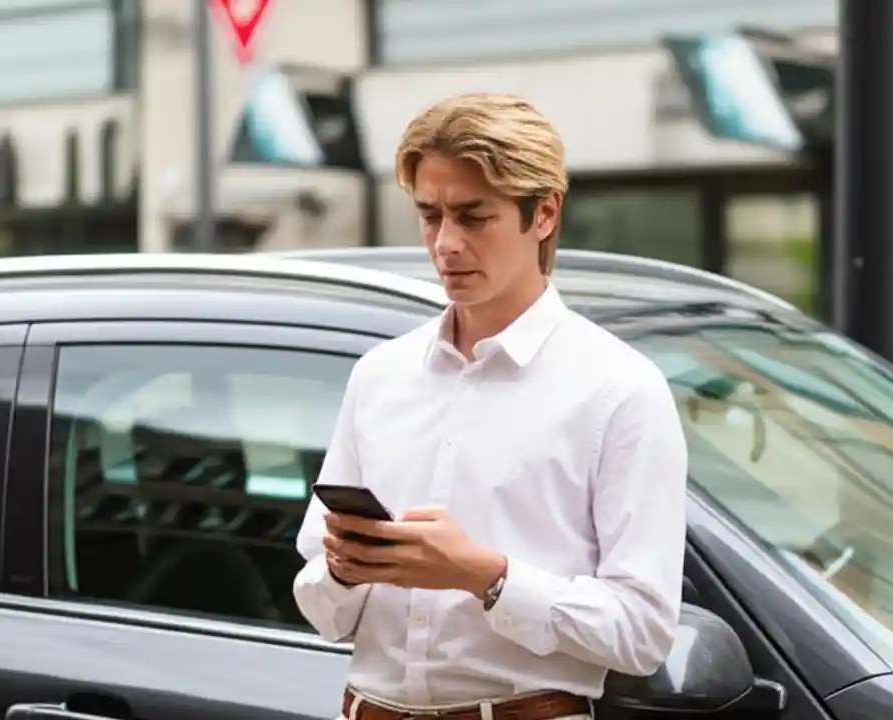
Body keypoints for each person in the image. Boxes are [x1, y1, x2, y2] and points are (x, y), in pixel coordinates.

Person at [292, 92, 689, 720]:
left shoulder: (619, 389)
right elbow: (319, 608)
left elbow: (642, 633)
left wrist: (487, 576)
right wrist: (342, 571)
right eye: (429, 215)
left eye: (473, 217)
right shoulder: (380, 377)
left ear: (545, 214)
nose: (445, 243)